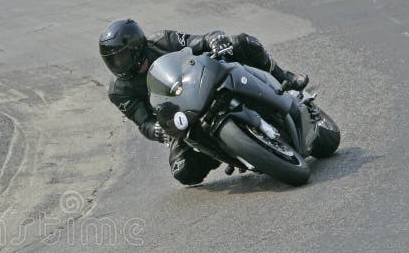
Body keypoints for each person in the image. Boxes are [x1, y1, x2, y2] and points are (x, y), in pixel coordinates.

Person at [99, 18, 308, 185]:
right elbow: (142, 122)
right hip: (177, 118)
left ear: (136, 47)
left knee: (242, 42)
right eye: (111, 60)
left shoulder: (162, 40)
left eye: (120, 57)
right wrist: (154, 129)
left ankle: (285, 77)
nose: (117, 65)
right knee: (183, 172)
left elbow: (198, 41)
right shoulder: (119, 91)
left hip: (199, 84)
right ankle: (222, 152)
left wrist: (215, 39)